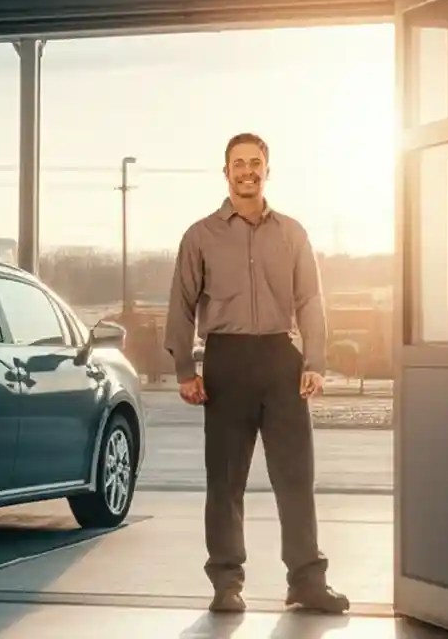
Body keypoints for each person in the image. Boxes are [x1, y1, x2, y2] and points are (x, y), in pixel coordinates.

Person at [164, 132, 349, 614]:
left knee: (296, 477)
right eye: (238, 163)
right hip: (225, 362)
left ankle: (307, 581)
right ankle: (226, 583)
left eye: (255, 162)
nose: (247, 170)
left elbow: (310, 299)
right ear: (225, 171)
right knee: (226, 481)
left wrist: (315, 361)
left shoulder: (292, 233)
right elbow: (181, 303)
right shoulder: (200, 236)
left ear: (267, 169)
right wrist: (184, 368)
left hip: (281, 359)